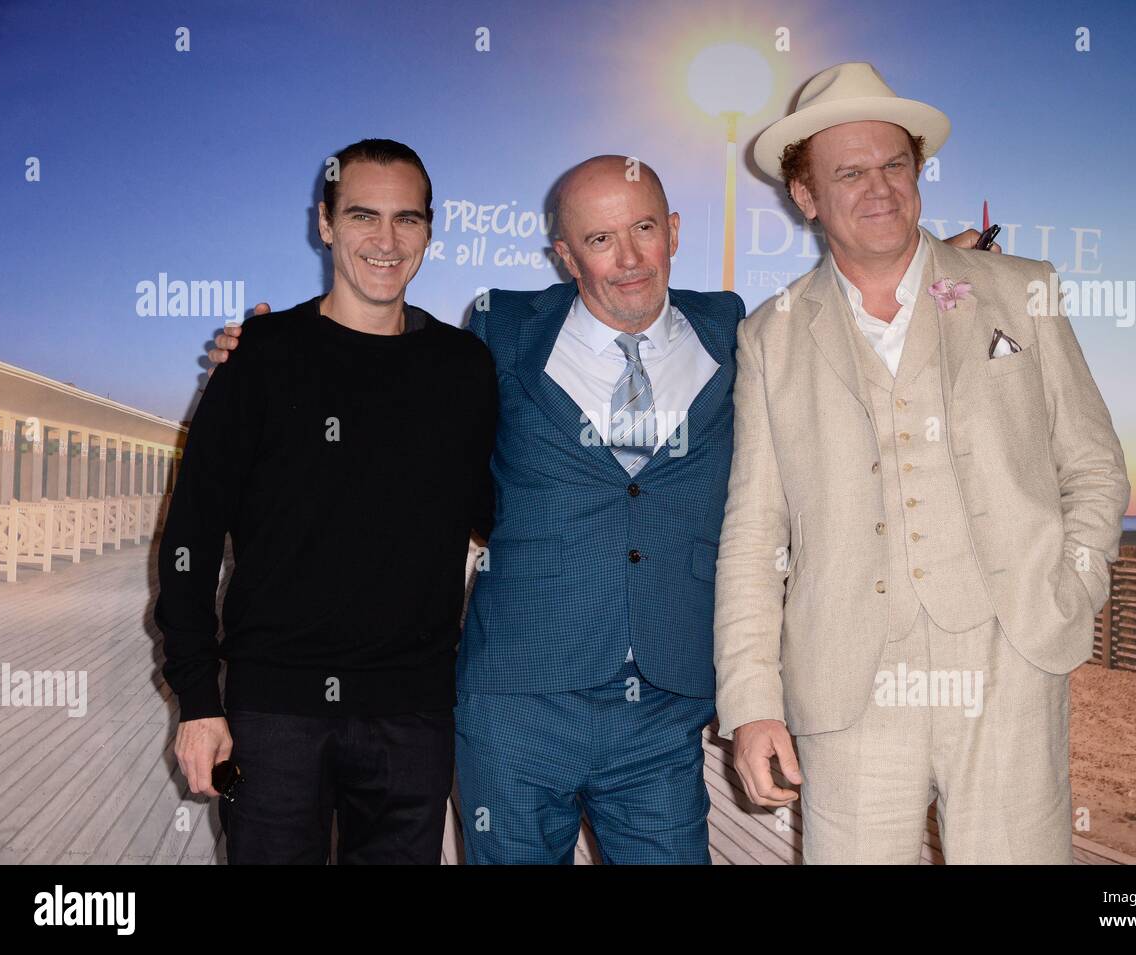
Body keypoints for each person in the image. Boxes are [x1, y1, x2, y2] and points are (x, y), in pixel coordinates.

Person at [211, 152, 996, 865]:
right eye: (598, 240)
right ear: (564, 256)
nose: (627, 259)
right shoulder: (501, 330)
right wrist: (268, 350)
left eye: (644, 229)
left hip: (663, 707)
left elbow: (844, 330)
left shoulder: (736, 330)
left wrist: (933, 272)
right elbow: (393, 382)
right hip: (515, 701)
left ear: (673, 231)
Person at [713, 63, 1130, 864]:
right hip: (847, 684)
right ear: (805, 196)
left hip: (1010, 662)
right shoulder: (770, 336)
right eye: (849, 172)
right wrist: (751, 700)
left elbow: (1094, 466)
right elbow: (752, 535)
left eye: (894, 165)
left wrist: (1072, 585)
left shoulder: (1023, 291)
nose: (879, 188)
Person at [157, 138, 497, 864]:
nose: (385, 239)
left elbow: (493, 509)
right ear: (325, 222)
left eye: (407, 220)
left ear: (430, 231)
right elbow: (187, 539)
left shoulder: (464, 368)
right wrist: (198, 700)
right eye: (363, 216)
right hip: (269, 715)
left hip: (413, 715)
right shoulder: (259, 358)